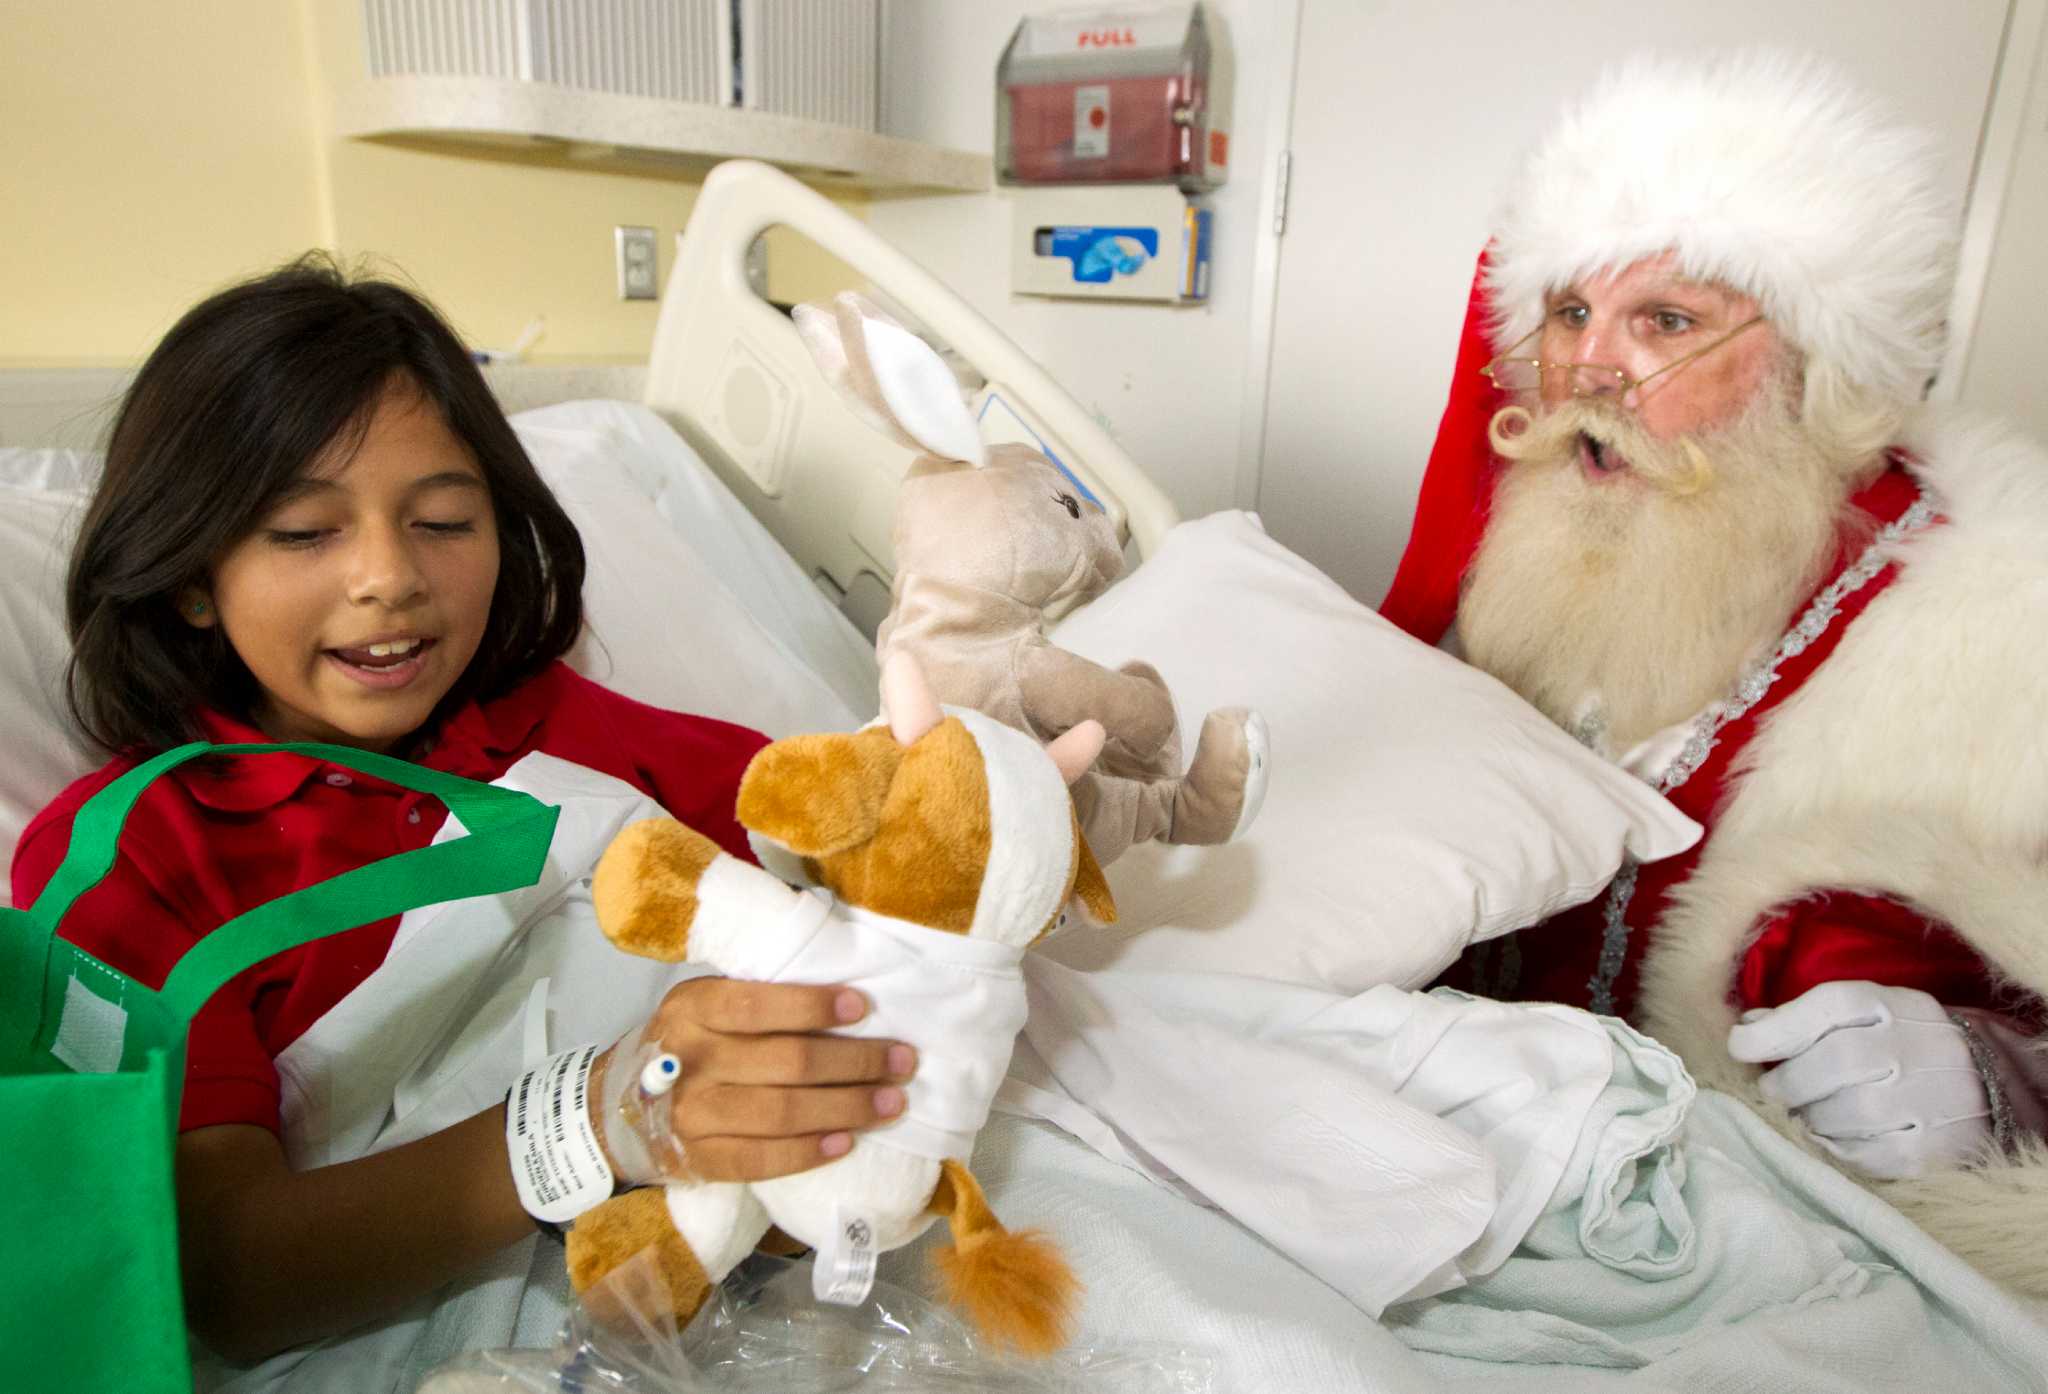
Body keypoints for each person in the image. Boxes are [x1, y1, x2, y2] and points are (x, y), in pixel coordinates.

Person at [12, 257, 918, 1367]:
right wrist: (594, 1118)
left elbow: (852, 829)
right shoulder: (148, 846)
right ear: (191, 574)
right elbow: (229, 1279)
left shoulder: (557, 725)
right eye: (304, 531)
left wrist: (998, 762)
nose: (389, 575)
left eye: (443, 518)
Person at [1379, 52, 2048, 1297]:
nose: (1587, 371)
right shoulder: (1529, 547)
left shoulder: (2006, 627)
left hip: (1767, 1255)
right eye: (1568, 315)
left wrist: (1996, 1071)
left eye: (1666, 323)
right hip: (1457, 1181)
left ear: (1809, 366)